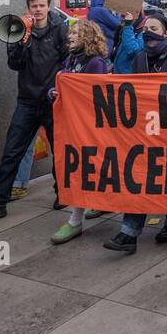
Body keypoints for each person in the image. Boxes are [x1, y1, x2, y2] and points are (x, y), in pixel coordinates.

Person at [102, 10, 167, 254]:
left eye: (155, 29)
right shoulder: (140, 58)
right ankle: (128, 233)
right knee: (140, 177)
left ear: (166, 32)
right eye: (147, 29)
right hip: (146, 130)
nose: (149, 33)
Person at [0, 0, 69, 219]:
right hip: (26, 101)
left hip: (52, 101)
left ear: (49, 7)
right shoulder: (19, 30)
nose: (37, 10)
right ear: (28, 9)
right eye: (34, 6)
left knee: (59, 151)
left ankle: (63, 194)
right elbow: (14, 64)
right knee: (12, 151)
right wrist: (21, 41)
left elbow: (67, 62)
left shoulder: (60, 30)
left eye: (41, 5)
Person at [48, 20, 114, 244]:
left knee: (84, 168)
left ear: (87, 36)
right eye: (70, 33)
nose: (70, 36)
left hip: (88, 126)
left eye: (75, 33)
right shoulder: (71, 59)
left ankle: (76, 220)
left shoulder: (95, 63)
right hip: (74, 124)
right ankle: (98, 204)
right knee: (83, 168)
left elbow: (94, 94)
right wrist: (54, 92)